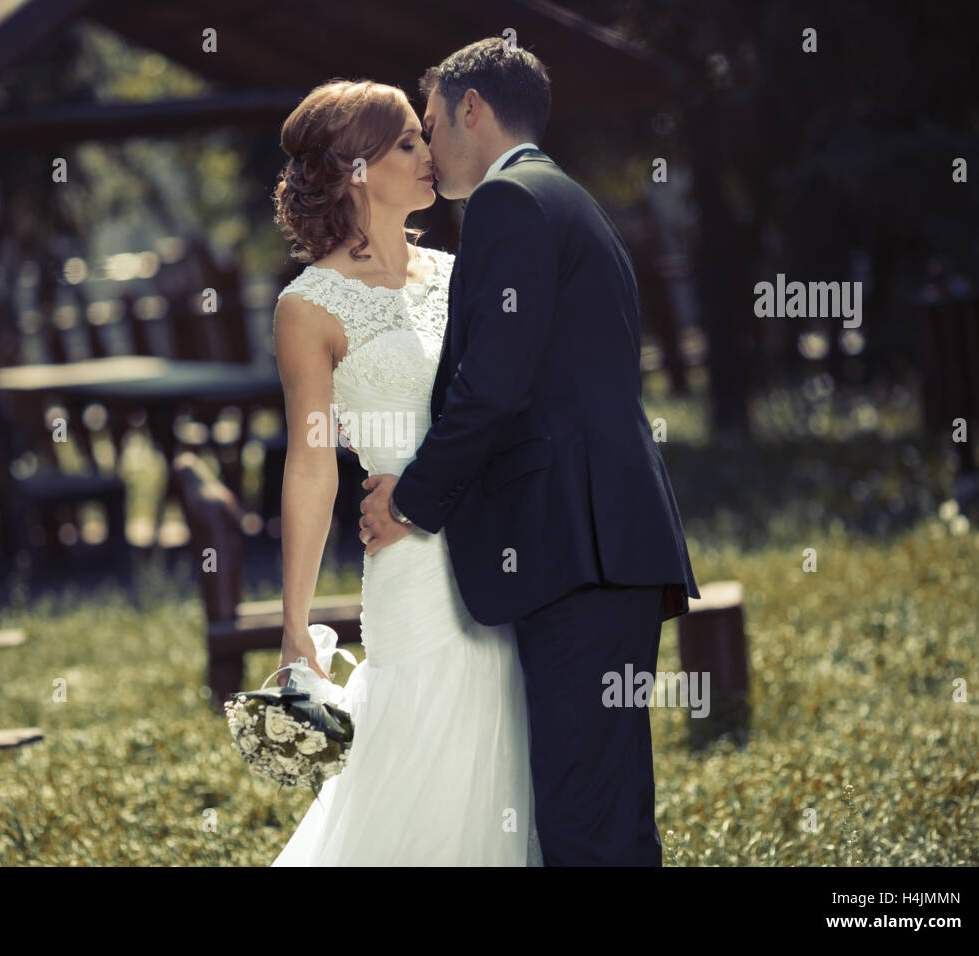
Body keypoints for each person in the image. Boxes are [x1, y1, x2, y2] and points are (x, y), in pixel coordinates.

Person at [359, 38, 699, 865]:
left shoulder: (511, 203)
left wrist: (408, 500)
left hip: (579, 545)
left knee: (585, 822)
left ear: (472, 108)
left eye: (432, 124)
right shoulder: (562, 196)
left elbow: (493, 385)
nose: (430, 149)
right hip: (601, 540)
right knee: (603, 809)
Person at [269, 74, 541, 865]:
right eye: (409, 144)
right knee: (419, 753)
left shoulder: (459, 273)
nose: (432, 153)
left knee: (505, 751)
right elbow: (312, 464)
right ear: (357, 169)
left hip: (492, 543)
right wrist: (294, 623)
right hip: (409, 569)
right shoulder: (308, 307)